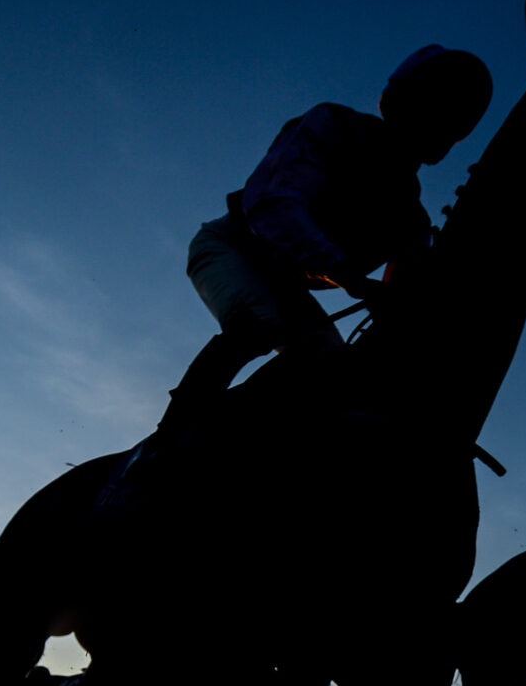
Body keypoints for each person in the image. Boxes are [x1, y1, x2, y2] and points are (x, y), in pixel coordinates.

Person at [163, 44, 494, 433]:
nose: (437, 121)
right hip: (230, 246)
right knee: (257, 324)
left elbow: (407, 291)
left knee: (337, 374)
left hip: (287, 287)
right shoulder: (334, 124)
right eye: (436, 105)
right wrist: (350, 277)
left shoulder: (413, 219)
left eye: (450, 116)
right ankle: (160, 448)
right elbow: (271, 203)